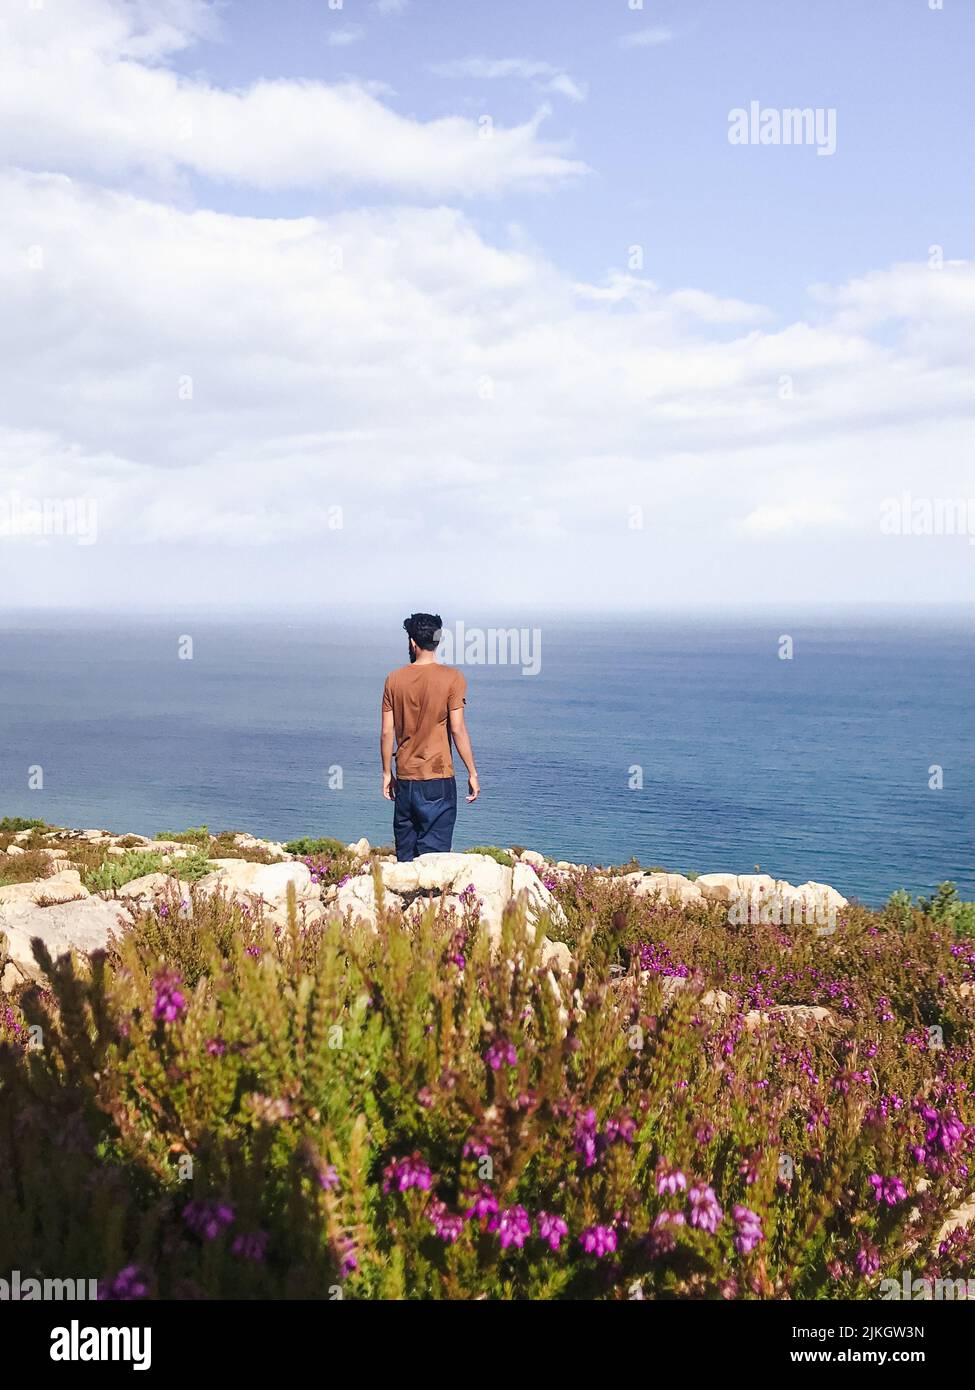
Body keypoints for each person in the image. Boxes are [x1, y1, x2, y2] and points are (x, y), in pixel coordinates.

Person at [381, 612, 479, 861]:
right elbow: (457, 729)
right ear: (438, 641)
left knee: (406, 856)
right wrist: (472, 773)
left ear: (412, 643)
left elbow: (386, 732)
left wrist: (386, 774)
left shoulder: (393, 680)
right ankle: (429, 901)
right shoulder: (452, 678)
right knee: (434, 860)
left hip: (405, 777)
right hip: (438, 778)